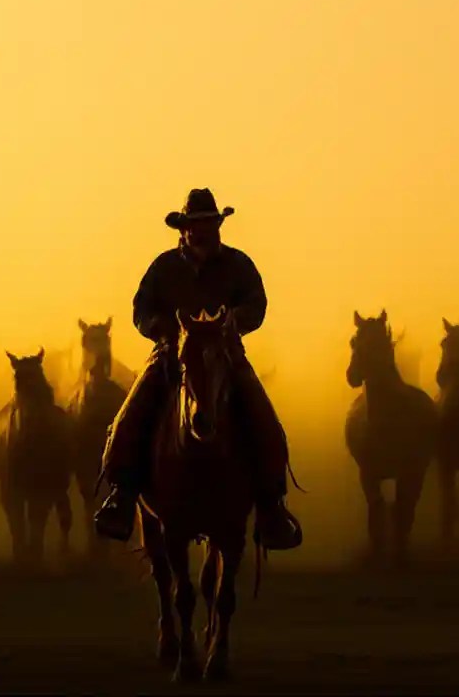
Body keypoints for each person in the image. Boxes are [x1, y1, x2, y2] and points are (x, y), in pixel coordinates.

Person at [92, 188, 302, 550]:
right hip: (173, 354)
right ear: (183, 230)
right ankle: (122, 494)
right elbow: (141, 309)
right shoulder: (164, 267)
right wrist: (163, 330)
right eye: (195, 225)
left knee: (264, 417)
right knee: (130, 415)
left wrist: (236, 320)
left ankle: (271, 505)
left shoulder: (238, 265)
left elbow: (257, 303)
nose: (202, 232)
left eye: (209, 224)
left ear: (218, 226)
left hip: (226, 355)